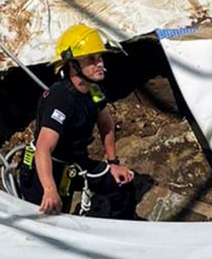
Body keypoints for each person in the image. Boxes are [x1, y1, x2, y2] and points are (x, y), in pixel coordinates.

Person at [17, 24, 137, 219]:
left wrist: (113, 163)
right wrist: (49, 189)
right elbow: (43, 148)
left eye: (99, 58)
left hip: (74, 164)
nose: (99, 64)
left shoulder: (94, 92)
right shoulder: (61, 98)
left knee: (121, 186)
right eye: (91, 59)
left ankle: (116, 236)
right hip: (45, 172)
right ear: (73, 65)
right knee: (53, 219)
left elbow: (106, 126)